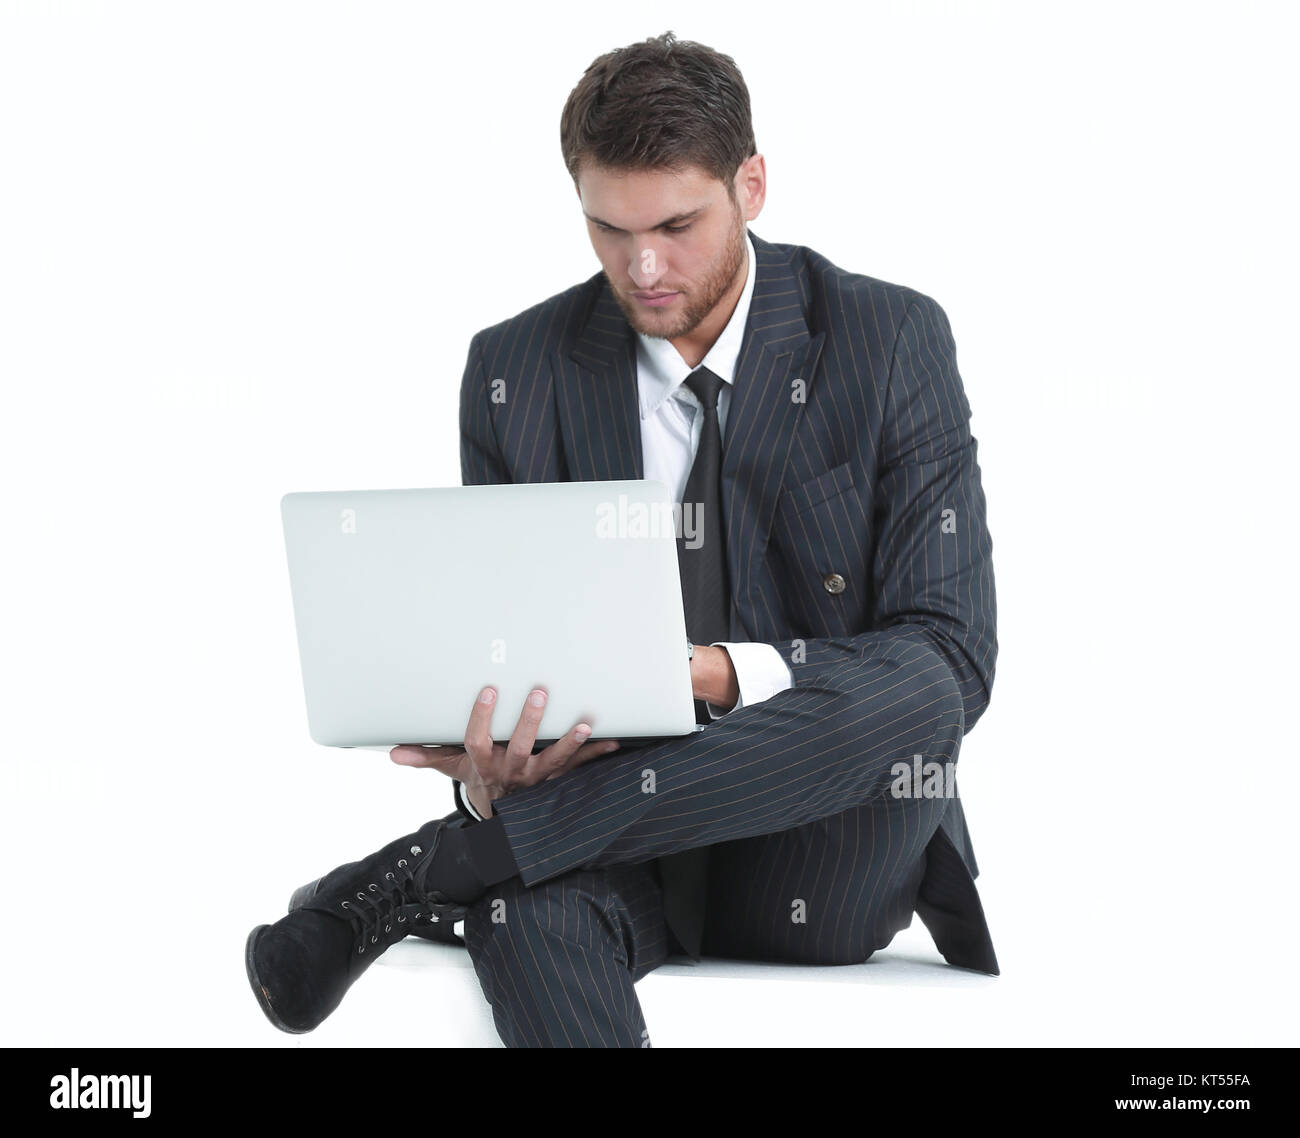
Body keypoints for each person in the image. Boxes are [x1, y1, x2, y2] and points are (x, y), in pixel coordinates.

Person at [245, 30, 1000, 1047]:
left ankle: (441, 866)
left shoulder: (890, 337)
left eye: (678, 225)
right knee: (523, 913)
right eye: (608, 229)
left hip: (822, 851)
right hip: (606, 849)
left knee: (921, 690)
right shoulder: (515, 370)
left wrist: (714, 672)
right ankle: (493, 853)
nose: (643, 267)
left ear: (752, 185)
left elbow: (955, 655)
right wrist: (497, 771)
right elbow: (510, 647)